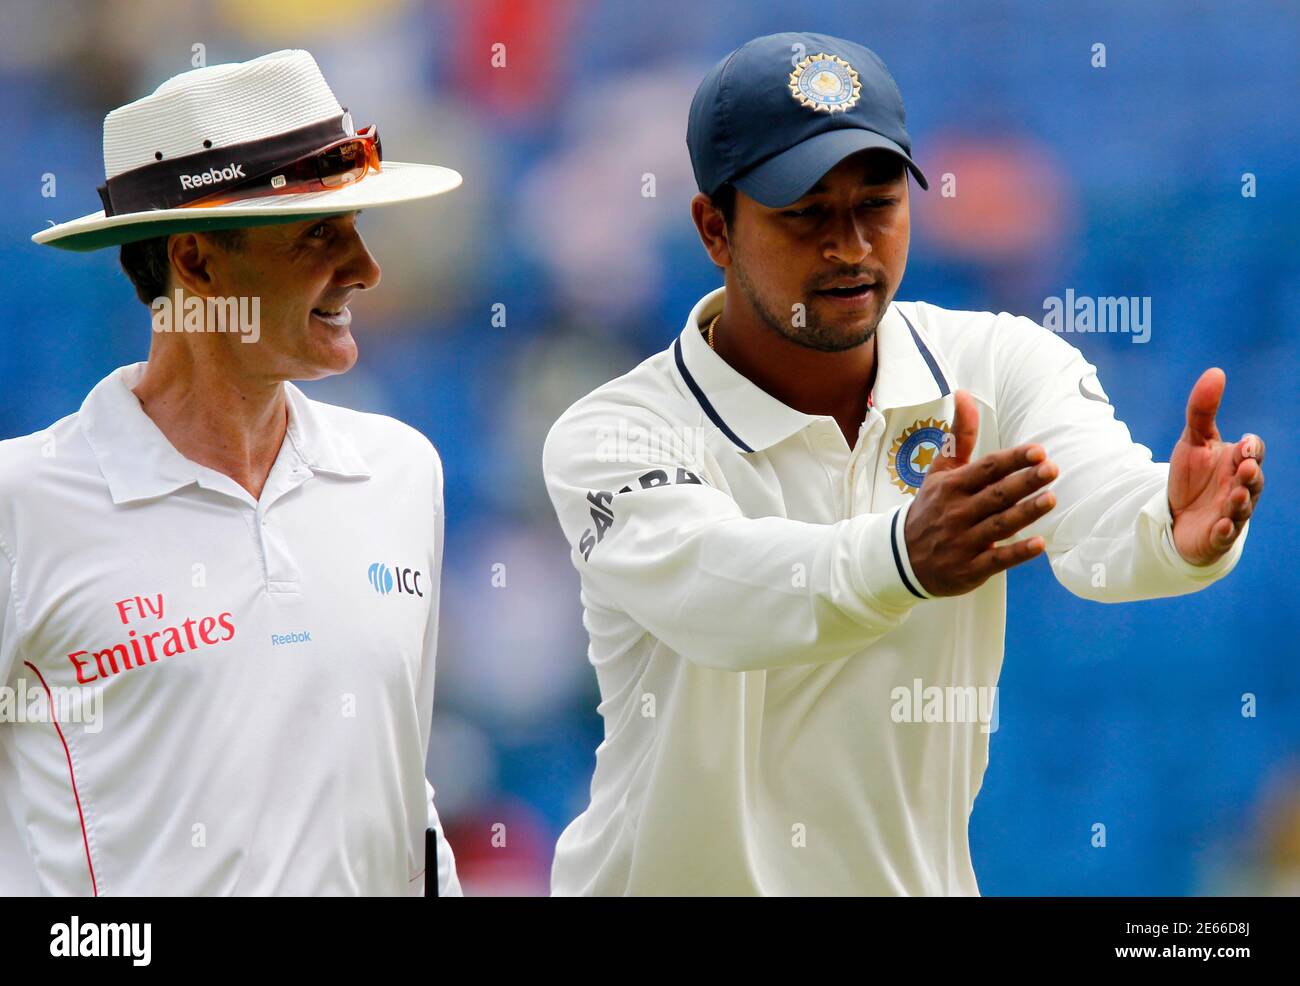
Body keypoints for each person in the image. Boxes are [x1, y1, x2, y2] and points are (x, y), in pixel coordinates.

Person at [541, 32, 1266, 895]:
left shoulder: (996, 362)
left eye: (877, 205)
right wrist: (902, 557)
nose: (849, 247)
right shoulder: (614, 432)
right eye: (804, 213)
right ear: (713, 229)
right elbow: (722, 599)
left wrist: (1169, 527)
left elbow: (1095, 517)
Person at [0, 49, 465, 895]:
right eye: (319, 233)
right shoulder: (19, 509)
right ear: (197, 264)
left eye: (356, 228)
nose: (366, 269)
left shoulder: (402, 472)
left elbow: (401, 790)